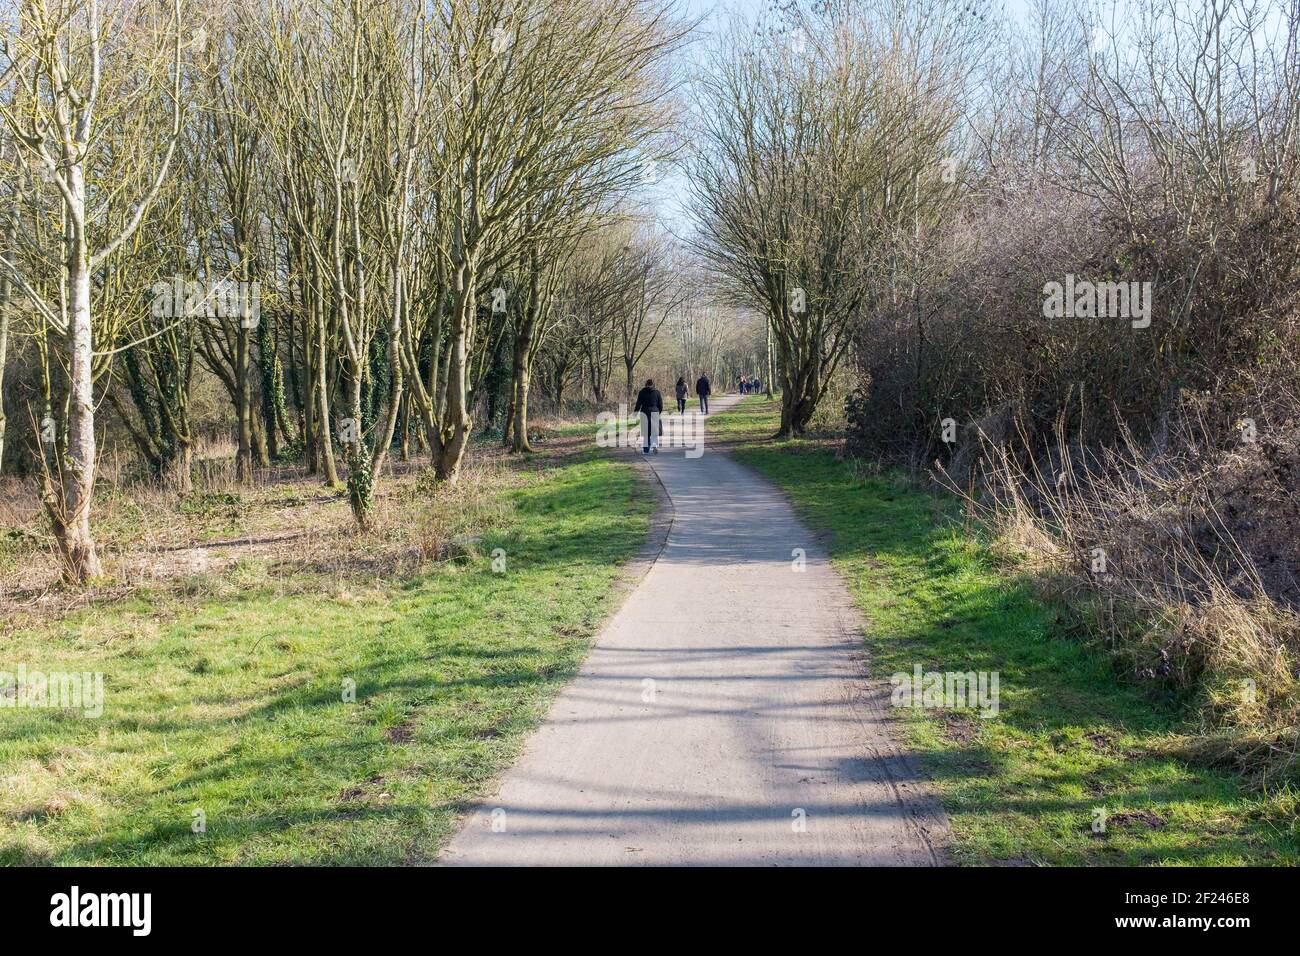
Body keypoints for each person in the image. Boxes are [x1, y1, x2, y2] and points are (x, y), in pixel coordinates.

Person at [633, 378, 663, 454]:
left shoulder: (642, 392)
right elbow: (661, 404)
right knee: (654, 431)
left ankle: (646, 450)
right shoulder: (657, 392)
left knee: (646, 432)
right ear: (653, 384)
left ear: (646, 384)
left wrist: (635, 413)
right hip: (655, 411)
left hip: (645, 412)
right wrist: (658, 412)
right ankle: (655, 445)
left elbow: (638, 404)